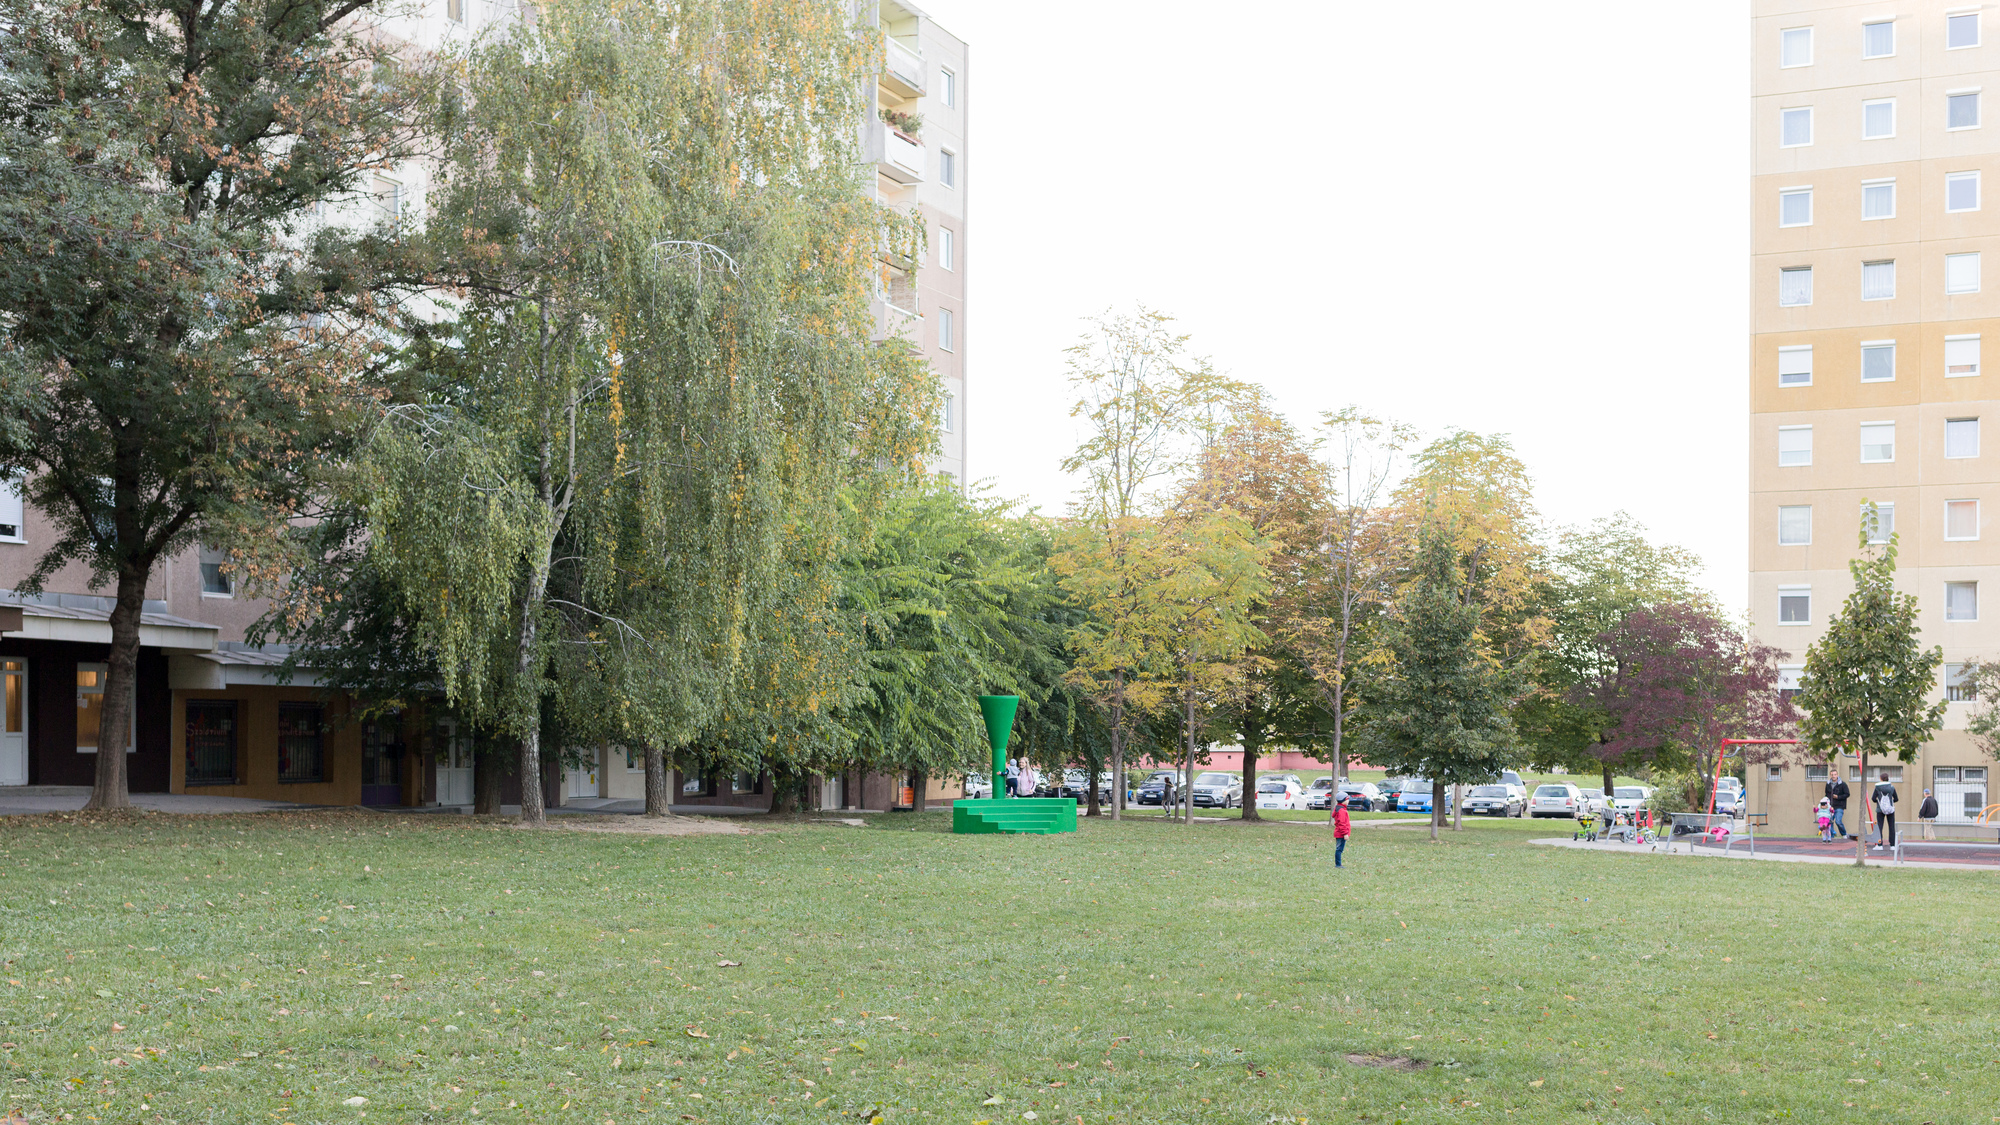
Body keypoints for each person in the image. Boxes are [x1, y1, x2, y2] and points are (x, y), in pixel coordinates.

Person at [1871, 771, 1899, 851]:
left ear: (1880, 779)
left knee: (1879, 826)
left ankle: (1879, 845)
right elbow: (1896, 799)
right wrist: (1890, 802)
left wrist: (1878, 802)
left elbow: (1873, 798)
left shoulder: (1877, 787)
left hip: (1880, 810)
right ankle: (1892, 845)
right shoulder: (1891, 787)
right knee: (1891, 826)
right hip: (1890, 809)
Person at [1825, 769, 1851, 839]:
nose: (1833, 776)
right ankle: (1831, 835)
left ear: (1837, 775)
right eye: (1832, 775)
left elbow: (1847, 794)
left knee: (1838, 821)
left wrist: (1838, 797)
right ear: (1830, 775)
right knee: (1829, 822)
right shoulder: (1828, 784)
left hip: (1840, 806)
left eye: (1835, 774)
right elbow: (1826, 795)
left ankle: (1844, 834)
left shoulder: (1843, 784)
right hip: (1830, 806)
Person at [1332, 799, 1352, 867]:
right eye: (1347, 799)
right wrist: (1345, 833)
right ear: (1343, 801)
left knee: (1339, 848)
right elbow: (1342, 823)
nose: (1348, 801)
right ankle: (1338, 864)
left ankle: (1338, 863)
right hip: (1341, 834)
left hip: (1339, 832)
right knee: (1339, 849)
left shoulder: (1339, 809)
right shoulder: (1342, 811)